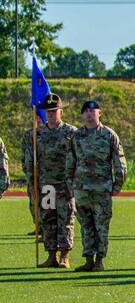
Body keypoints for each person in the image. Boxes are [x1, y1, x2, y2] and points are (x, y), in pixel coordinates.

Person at [70, 100, 126, 271]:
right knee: (86, 226)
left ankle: (100, 260)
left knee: (101, 226)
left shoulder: (109, 135)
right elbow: (70, 161)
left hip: (102, 190)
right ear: (82, 114)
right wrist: (69, 184)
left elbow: (119, 161)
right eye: (86, 111)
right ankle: (88, 259)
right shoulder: (77, 136)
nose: (89, 114)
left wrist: (117, 184)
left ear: (99, 113)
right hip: (82, 190)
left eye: (93, 111)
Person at [25, 94, 78, 268]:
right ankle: (51, 255)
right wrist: (32, 183)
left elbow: (79, 158)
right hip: (46, 185)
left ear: (61, 112)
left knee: (66, 219)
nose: (51, 114)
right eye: (48, 112)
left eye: (54, 111)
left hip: (65, 185)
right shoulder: (38, 134)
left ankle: (65, 255)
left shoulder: (71, 133)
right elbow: (31, 161)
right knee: (48, 220)